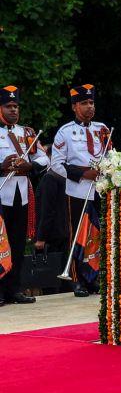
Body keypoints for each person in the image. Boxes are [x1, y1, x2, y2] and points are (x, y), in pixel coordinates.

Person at [49, 84, 110, 296]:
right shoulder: (64, 132)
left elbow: (110, 157)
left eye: (91, 102)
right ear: (75, 107)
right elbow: (56, 164)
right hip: (77, 191)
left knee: (99, 235)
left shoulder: (102, 129)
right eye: (84, 103)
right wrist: (84, 174)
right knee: (77, 235)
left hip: (100, 189)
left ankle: (95, 277)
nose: (89, 107)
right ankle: (76, 280)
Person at [0, 86, 49, 306]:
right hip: (2, 193)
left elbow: (45, 159)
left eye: (16, 106)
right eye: (8, 106)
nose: (13, 110)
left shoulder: (27, 133)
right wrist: (2, 166)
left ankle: (14, 290)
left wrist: (30, 165)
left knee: (18, 244)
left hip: (21, 194)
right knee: (1, 244)